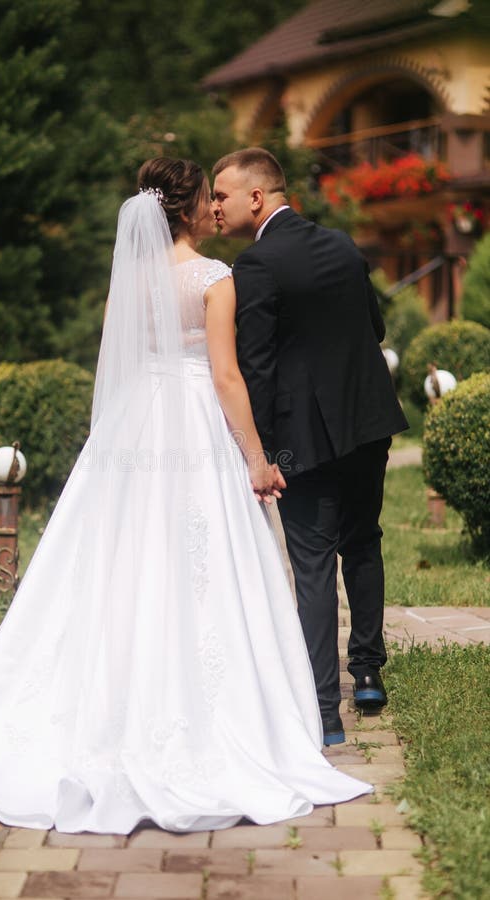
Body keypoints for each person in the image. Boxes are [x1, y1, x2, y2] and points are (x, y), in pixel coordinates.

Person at [0, 158, 372, 834]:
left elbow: (114, 365)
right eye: (208, 198)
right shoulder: (216, 278)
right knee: (203, 566)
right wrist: (259, 460)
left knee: (127, 559)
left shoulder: (131, 278)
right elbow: (228, 378)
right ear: (188, 209)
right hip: (196, 425)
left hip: (136, 426)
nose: (215, 208)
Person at [212, 148, 408, 745]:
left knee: (314, 562)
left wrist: (262, 452)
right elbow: (373, 329)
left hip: (304, 438)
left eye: (221, 195)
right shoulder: (343, 244)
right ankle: (367, 672)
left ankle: (325, 711)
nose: (214, 207)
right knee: (364, 540)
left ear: (256, 197)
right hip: (368, 420)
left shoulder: (256, 263)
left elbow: (257, 366)